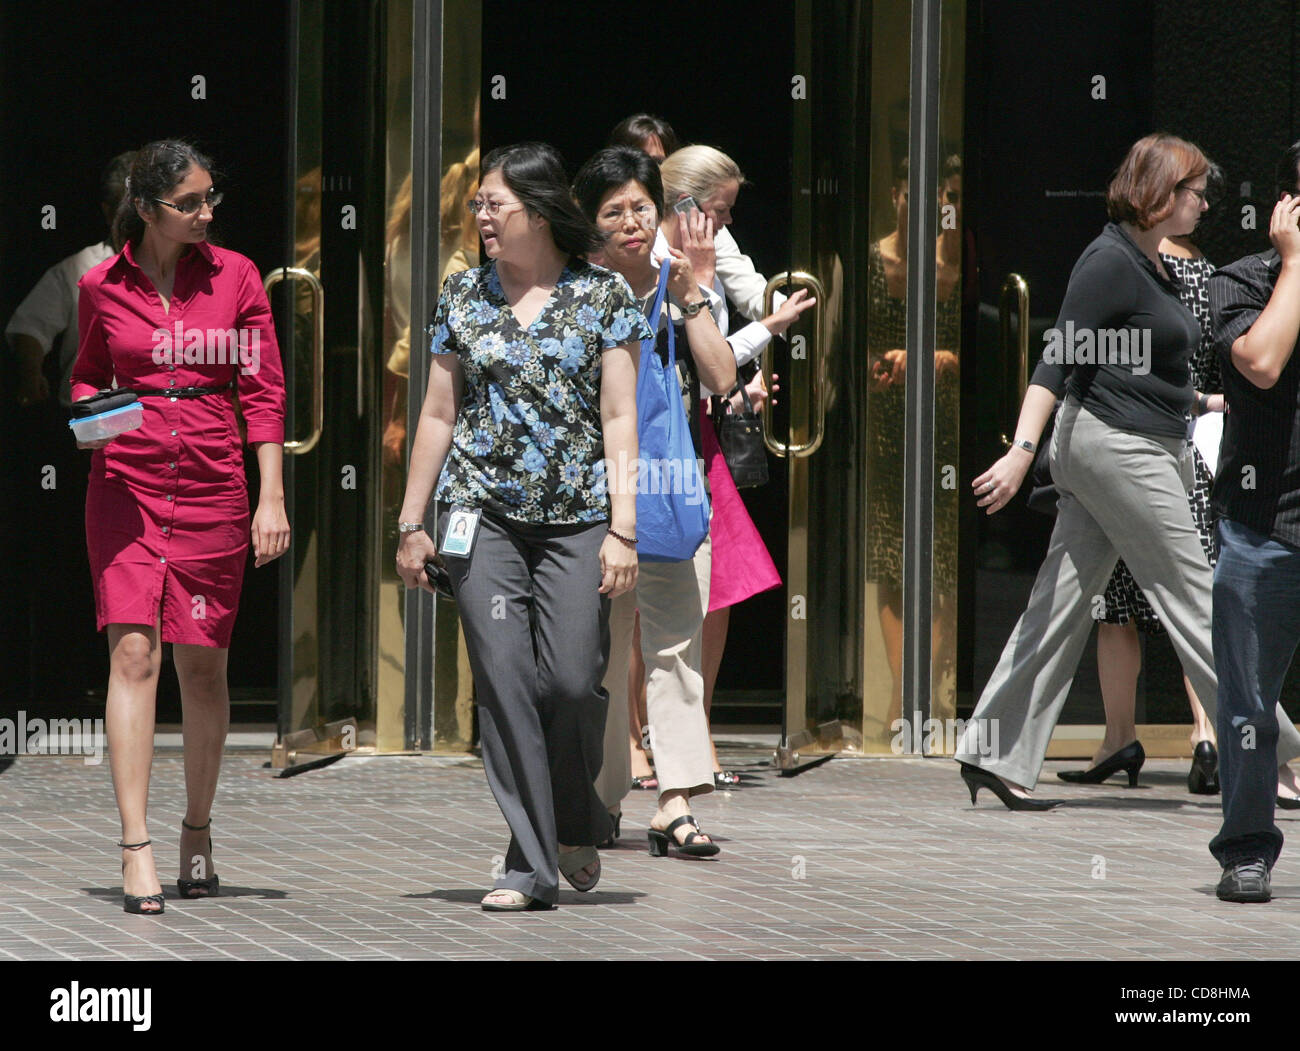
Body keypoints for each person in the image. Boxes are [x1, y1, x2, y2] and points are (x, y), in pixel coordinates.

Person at [952, 133, 1300, 811]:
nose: (1204, 203)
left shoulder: (1152, 264)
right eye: (1195, 191)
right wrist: (1022, 451)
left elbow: (1139, 367)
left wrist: (1208, 402)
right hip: (1117, 451)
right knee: (1201, 599)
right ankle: (1282, 752)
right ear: (1160, 194)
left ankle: (992, 750)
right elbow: (1059, 360)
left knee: (1059, 604)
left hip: (1138, 441)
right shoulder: (1110, 261)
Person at [395, 142, 647, 911]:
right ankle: (529, 867)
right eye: (478, 205)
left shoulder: (602, 296)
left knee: (571, 680)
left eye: (492, 204)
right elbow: (437, 411)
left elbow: (619, 415)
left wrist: (624, 528)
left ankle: (575, 816)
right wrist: (411, 520)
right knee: (506, 687)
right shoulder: (462, 294)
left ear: (537, 212)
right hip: (481, 519)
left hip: (577, 519)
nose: (480, 217)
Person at [71, 140, 289, 914]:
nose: (206, 214)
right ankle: (136, 845)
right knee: (133, 654)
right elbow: (89, 371)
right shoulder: (100, 284)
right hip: (125, 491)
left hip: (212, 489)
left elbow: (263, 391)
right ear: (147, 208)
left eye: (210, 200)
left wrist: (271, 496)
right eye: (190, 203)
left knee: (202, 669)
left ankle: (197, 827)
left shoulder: (236, 278)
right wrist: (93, 414)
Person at [575, 146, 738, 855]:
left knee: (675, 650)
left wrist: (693, 292)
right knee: (604, 660)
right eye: (614, 212)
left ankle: (674, 801)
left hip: (668, 491)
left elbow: (722, 375)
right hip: (599, 499)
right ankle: (607, 794)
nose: (633, 222)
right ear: (590, 225)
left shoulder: (678, 282)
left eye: (642, 206)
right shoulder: (574, 292)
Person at [658, 145, 810, 785]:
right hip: (664, 440)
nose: (722, 226)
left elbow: (720, 351)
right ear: (685, 204)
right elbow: (694, 360)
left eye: (727, 214)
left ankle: (693, 735)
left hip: (704, 431)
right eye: (717, 211)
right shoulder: (656, 264)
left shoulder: (706, 251)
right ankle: (650, 745)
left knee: (714, 590)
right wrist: (768, 328)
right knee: (658, 600)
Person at [1059, 220, 1225, 792]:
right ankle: (1209, 734)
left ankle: (1119, 736)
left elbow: (1087, 354)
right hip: (1189, 446)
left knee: (1117, 605)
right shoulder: (1205, 272)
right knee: (1191, 595)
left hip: (1134, 443)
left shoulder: (1136, 266)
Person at [1203, 140, 1300, 901]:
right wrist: (1294, 268)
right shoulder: (1241, 281)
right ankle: (1246, 849)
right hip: (1265, 524)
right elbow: (1262, 363)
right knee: (1247, 703)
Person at [867, 155, 963, 726]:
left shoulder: (956, 258)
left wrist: (937, 359)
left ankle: (929, 688)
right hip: (885, 419)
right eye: (913, 193)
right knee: (891, 555)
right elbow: (841, 343)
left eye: (941, 199)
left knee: (942, 562)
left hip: (945, 421)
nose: (927, 206)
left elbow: (984, 339)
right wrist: (885, 363)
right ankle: (907, 695)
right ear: (897, 193)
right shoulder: (873, 259)